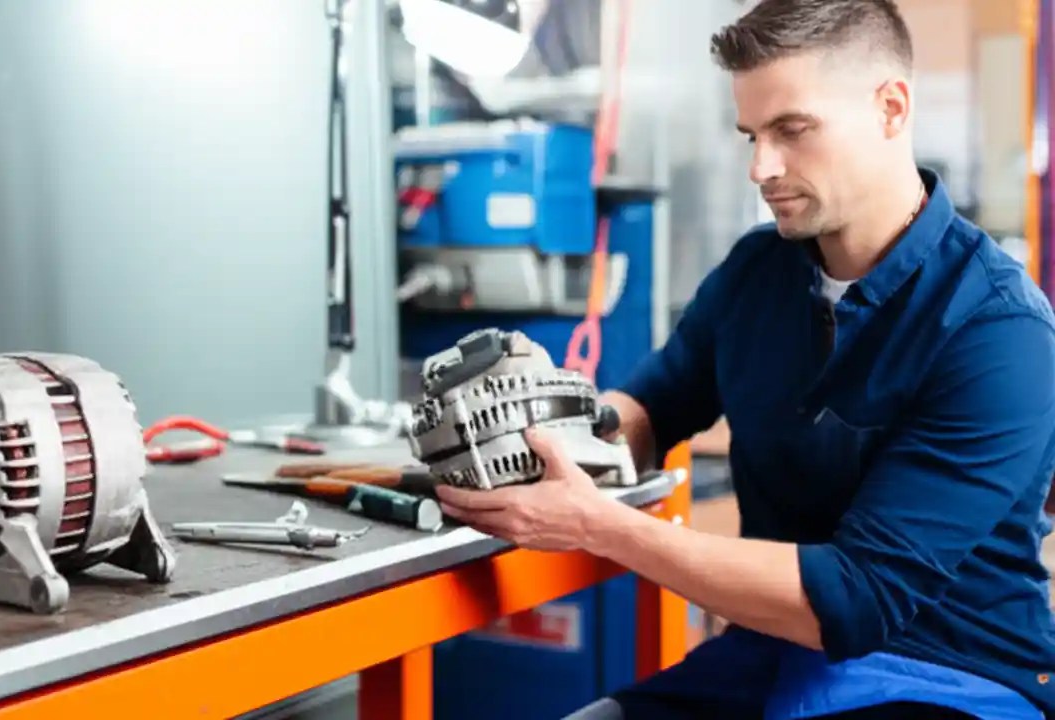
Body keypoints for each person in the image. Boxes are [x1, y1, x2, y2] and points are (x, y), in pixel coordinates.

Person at [434, 1, 1055, 718]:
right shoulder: (756, 273)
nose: (762, 167)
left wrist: (598, 524)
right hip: (770, 652)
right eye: (751, 135)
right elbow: (654, 406)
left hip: (947, 675)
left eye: (792, 130)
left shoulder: (999, 332)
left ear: (891, 109)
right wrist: (555, 435)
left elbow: (856, 598)